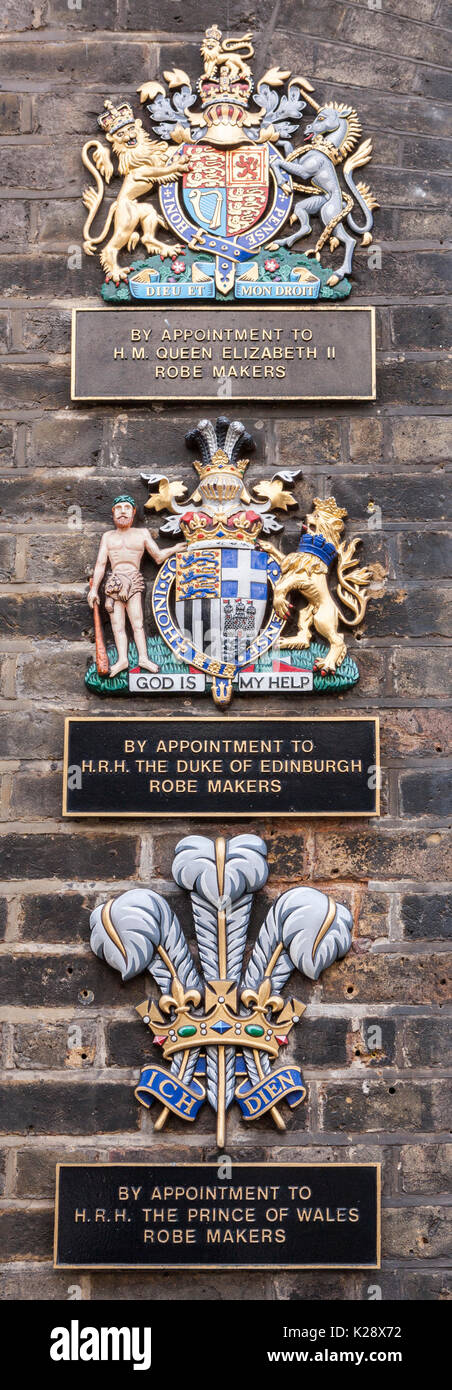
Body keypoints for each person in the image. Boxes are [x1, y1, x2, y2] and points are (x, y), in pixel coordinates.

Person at [88, 494, 182, 677]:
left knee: (137, 622)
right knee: (118, 625)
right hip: (114, 583)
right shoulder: (108, 537)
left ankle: (143, 657)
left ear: (133, 512)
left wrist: (174, 549)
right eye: (119, 508)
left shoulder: (142, 534)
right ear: (113, 512)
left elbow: (158, 556)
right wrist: (93, 590)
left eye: (127, 508)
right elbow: (100, 564)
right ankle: (122, 660)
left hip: (134, 581)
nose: (123, 512)